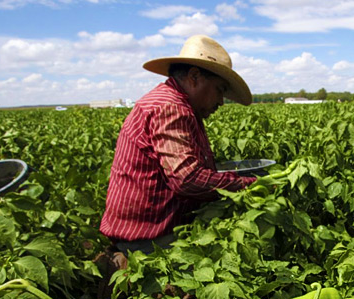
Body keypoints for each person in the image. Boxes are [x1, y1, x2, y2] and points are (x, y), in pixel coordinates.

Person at [100, 35, 257, 254]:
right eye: (220, 90)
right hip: (150, 238)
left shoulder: (172, 102)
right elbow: (187, 179)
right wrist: (251, 185)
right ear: (194, 77)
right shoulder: (171, 107)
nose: (221, 102)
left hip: (148, 229)